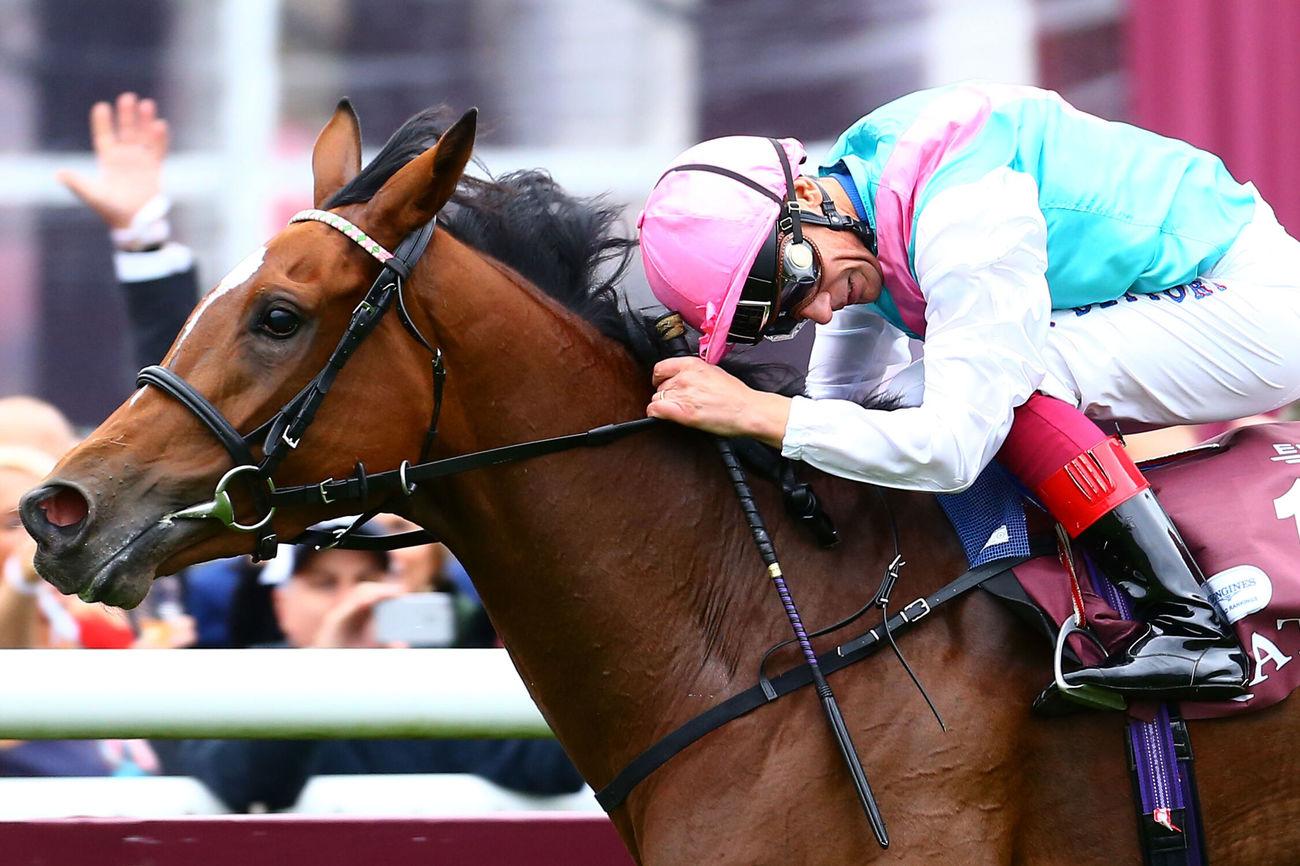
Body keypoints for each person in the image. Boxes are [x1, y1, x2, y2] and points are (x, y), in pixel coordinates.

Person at [637, 81, 1300, 703]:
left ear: (806, 196)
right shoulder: (858, 205)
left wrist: (759, 411)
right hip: (1196, 284)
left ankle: (1190, 627)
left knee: (1012, 378)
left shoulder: (962, 215)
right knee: (913, 388)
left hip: (1252, 304)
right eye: (779, 314)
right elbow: (839, 403)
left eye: (793, 277)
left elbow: (953, 449)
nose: (813, 314)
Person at [165, 533, 586, 812]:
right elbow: (248, 786)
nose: (355, 599)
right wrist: (323, 669)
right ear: (281, 606)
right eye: (326, 583)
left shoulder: (435, 678)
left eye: (368, 578)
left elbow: (552, 771)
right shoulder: (236, 677)